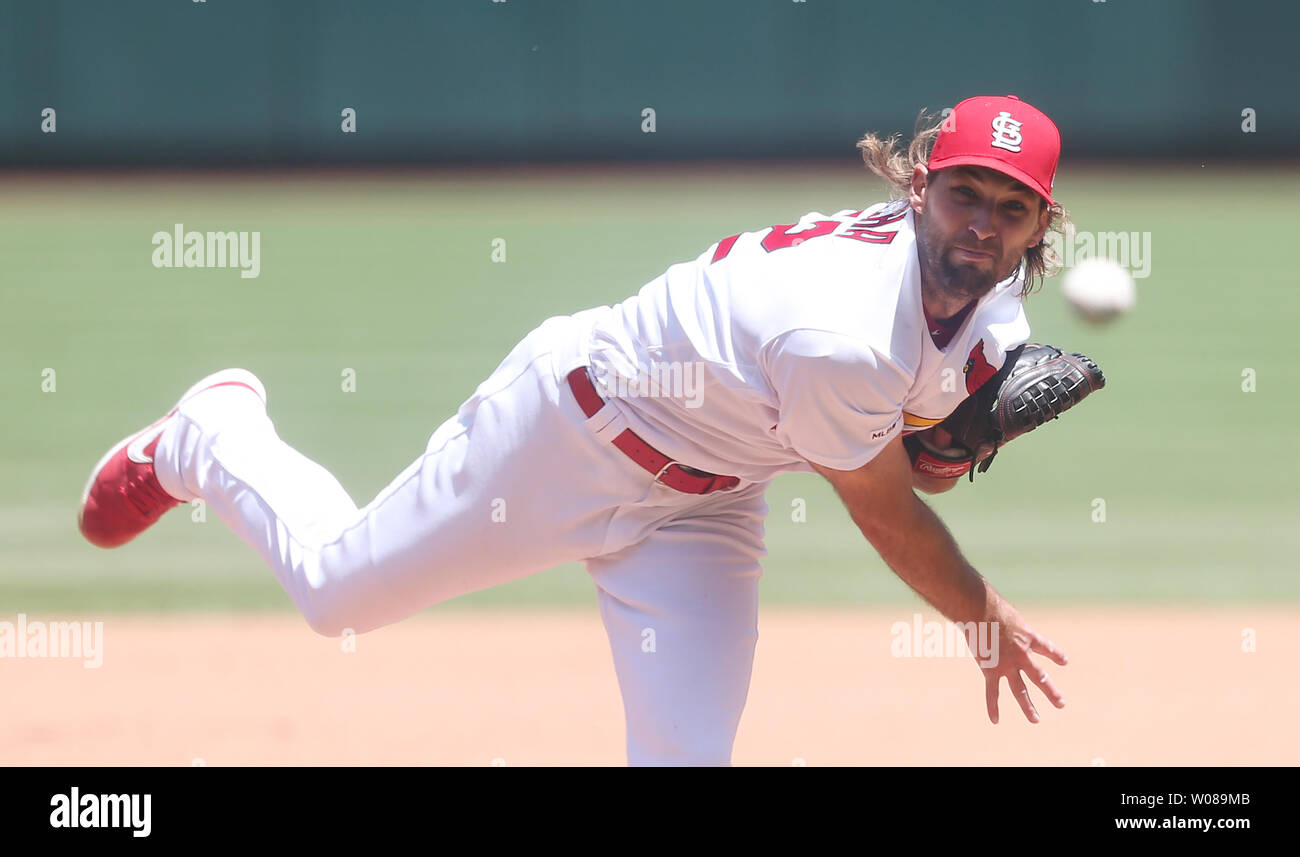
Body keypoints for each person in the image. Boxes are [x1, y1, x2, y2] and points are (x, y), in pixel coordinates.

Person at [79, 94, 1072, 766]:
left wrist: (949, 440)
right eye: (962, 193)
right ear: (916, 188)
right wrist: (980, 610)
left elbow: (915, 465)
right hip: (568, 432)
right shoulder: (840, 329)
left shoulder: (993, 319)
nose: (979, 224)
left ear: (1040, 226)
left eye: (1008, 207)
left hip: (707, 504)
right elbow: (889, 510)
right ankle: (210, 433)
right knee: (337, 592)